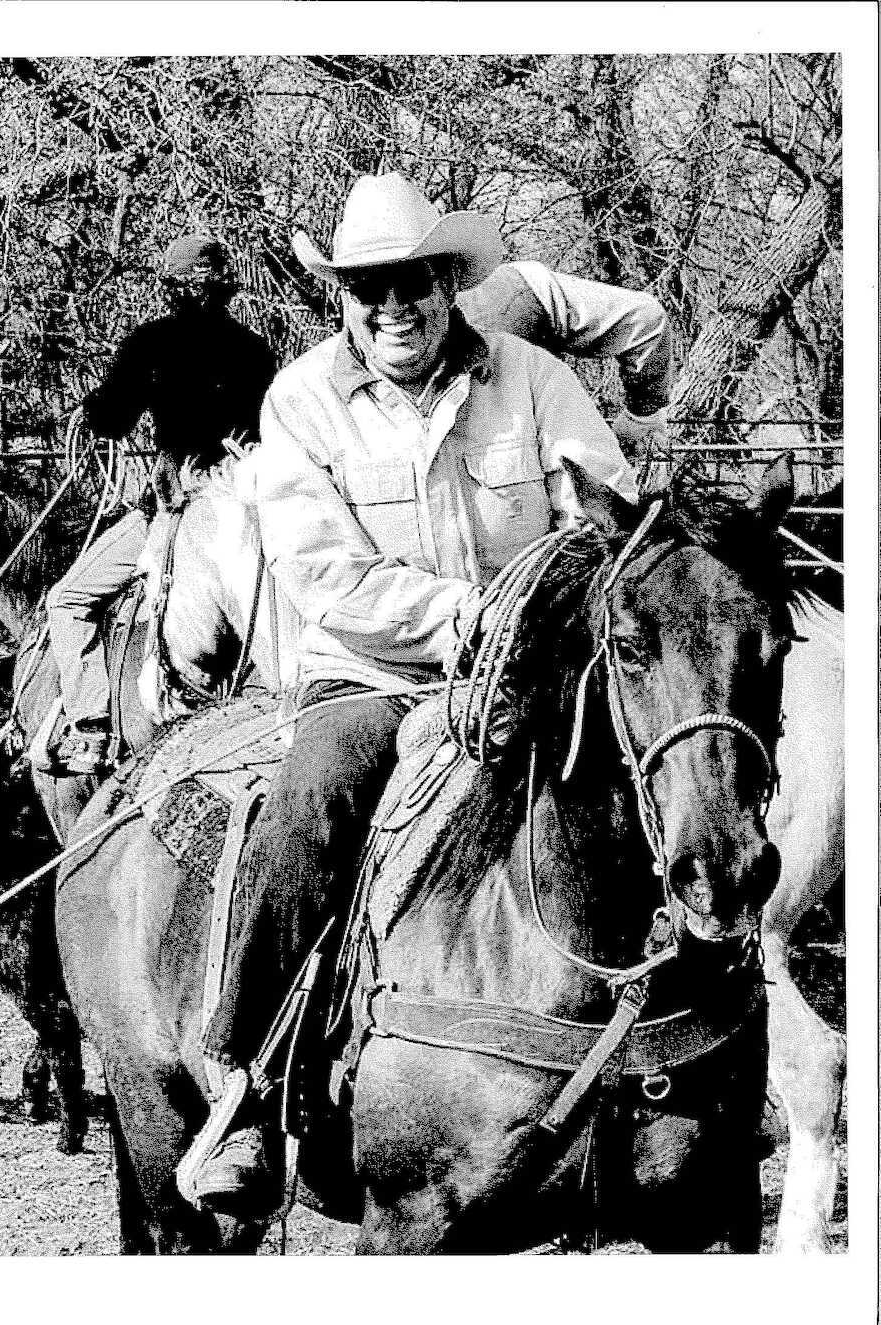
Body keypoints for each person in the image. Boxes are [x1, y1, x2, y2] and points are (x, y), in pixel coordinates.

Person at [179, 173, 667, 1214]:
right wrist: (472, 616)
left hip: (537, 667)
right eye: (369, 288)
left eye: (412, 283)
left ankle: (703, 1050)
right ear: (340, 296)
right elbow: (326, 577)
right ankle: (251, 1086)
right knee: (310, 805)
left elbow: (602, 512)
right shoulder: (299, 401)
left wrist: (551, 608)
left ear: (450, 283)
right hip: (375, 673)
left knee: (673, 785)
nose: (392, 306)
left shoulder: (532, 376)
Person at [46, 224, 276, 774]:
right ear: (228, 289)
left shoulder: (150, 345)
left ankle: (89, 729)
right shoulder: (256, 351)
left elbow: (109, 419)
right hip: (250, 494)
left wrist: (91, 405)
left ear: (172, 290)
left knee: (68, 601)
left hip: (179, 503)